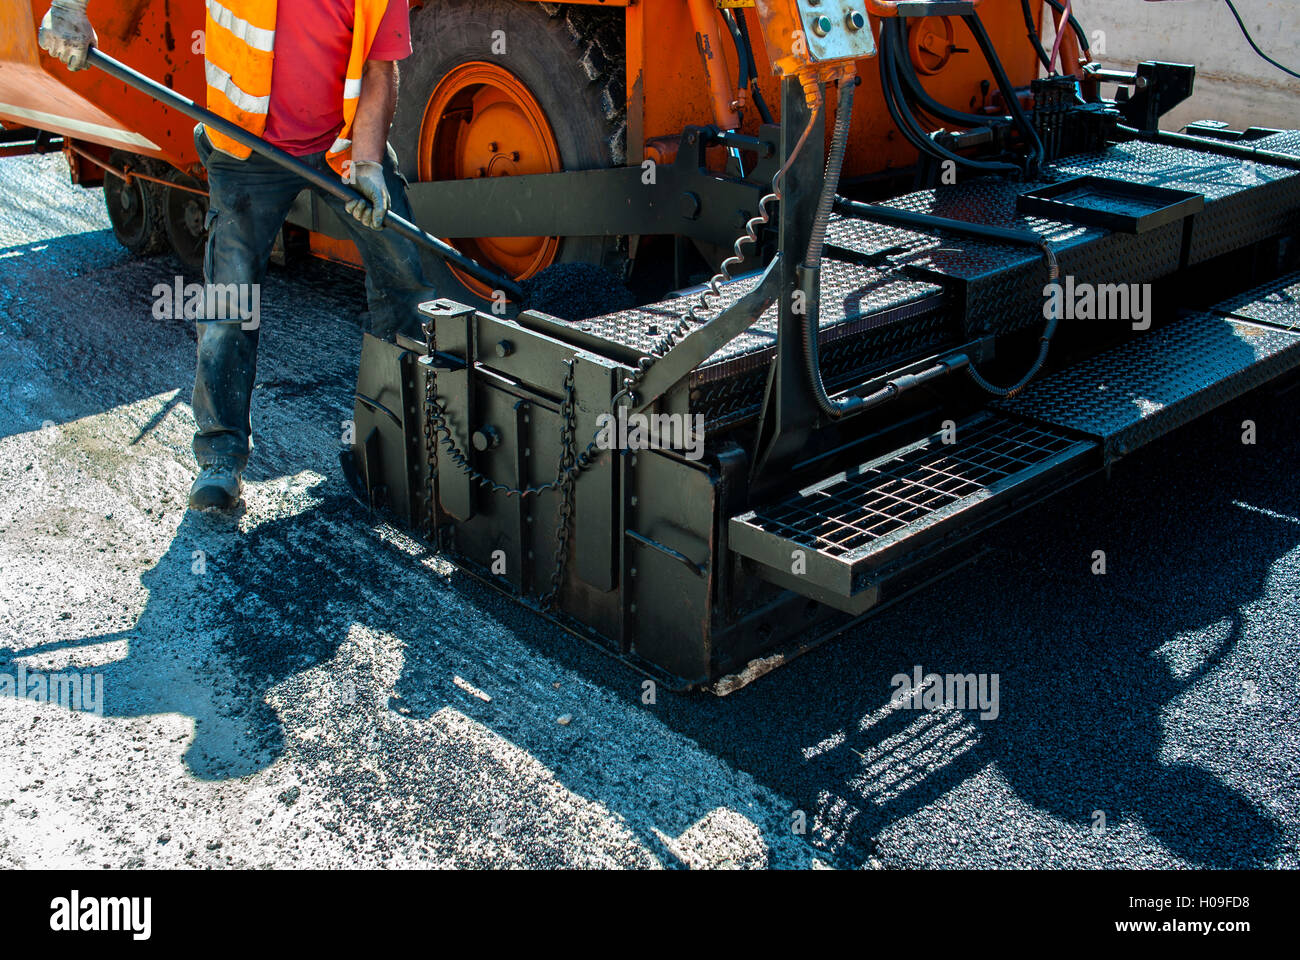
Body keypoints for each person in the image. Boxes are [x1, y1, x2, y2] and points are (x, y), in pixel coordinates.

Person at [39, 0, 438, 511]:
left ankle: (396, 450)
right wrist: (69, 7)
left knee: (405, 280)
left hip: (341, 145)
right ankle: (220, 458)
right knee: (229, 304)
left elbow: (380, 66)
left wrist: (367, 162)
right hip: (247, 150)